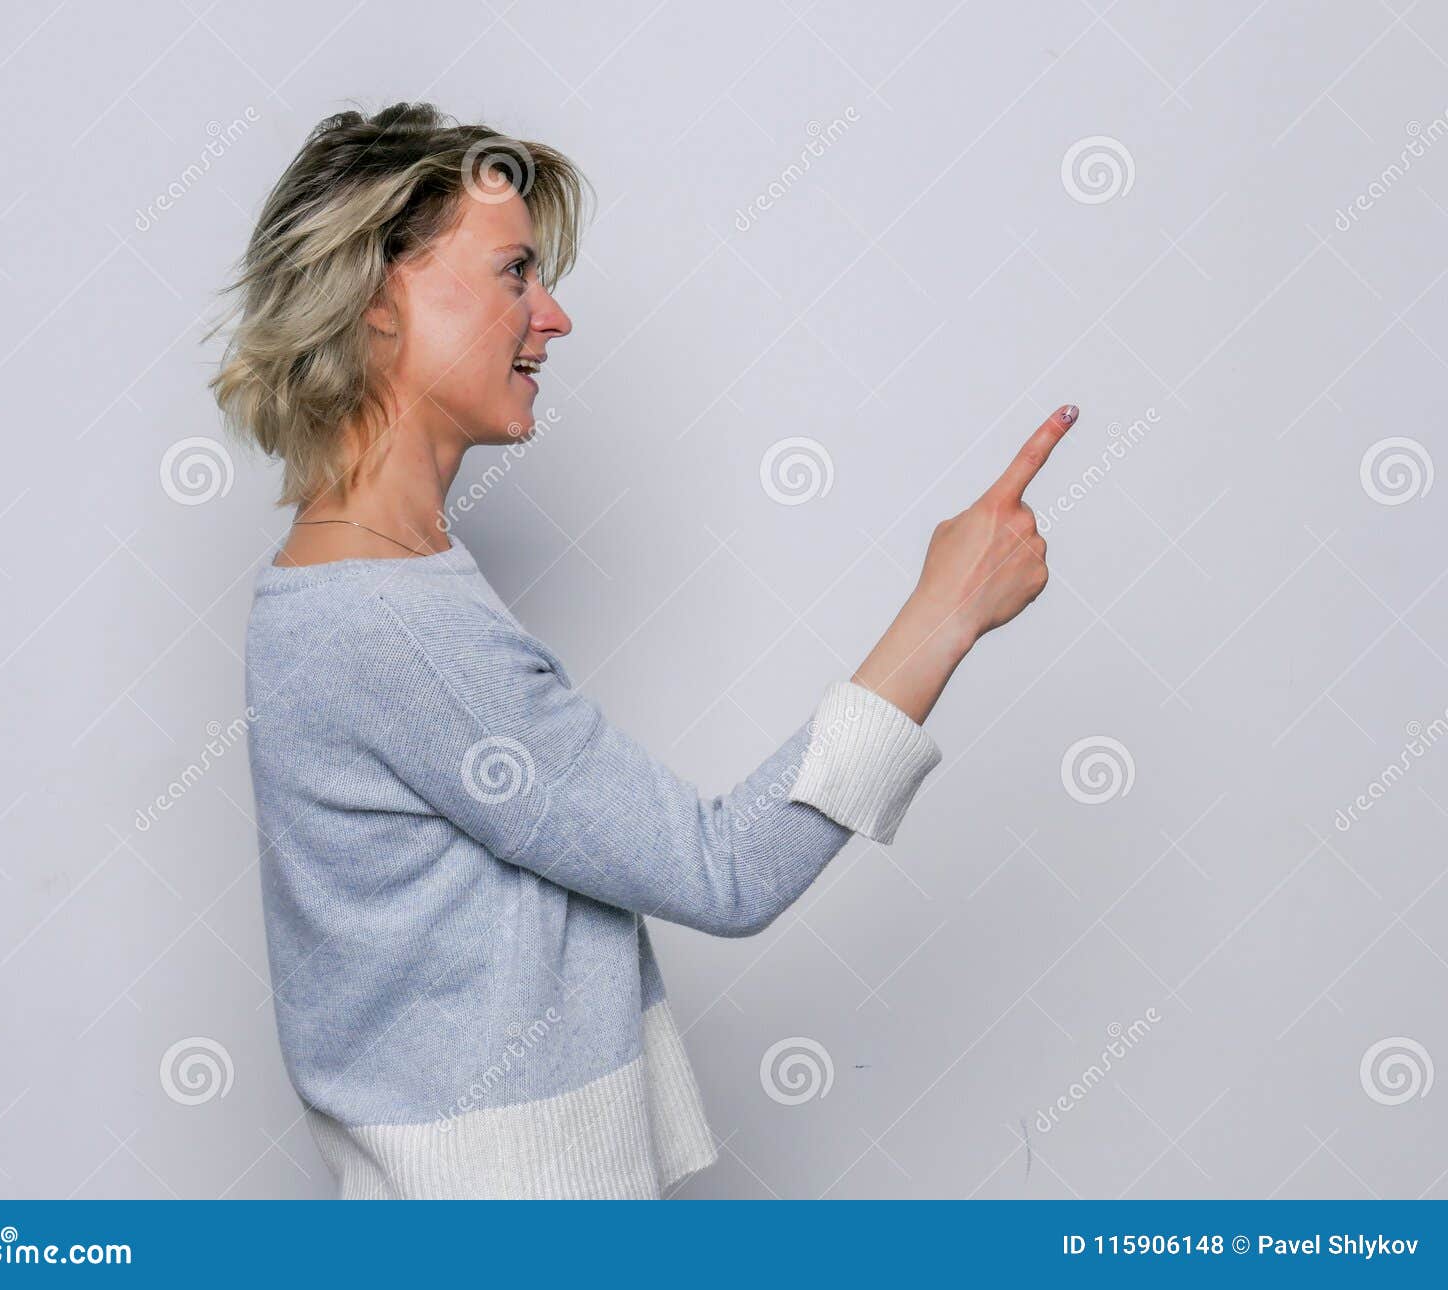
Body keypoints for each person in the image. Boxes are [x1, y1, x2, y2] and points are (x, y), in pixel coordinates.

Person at [210, 102, 1076, 1198]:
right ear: (382, 299)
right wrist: (944, 612)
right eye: (515, 272)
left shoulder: (371, 577)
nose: (553, 315)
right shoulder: (391, 621)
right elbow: (723, 872)